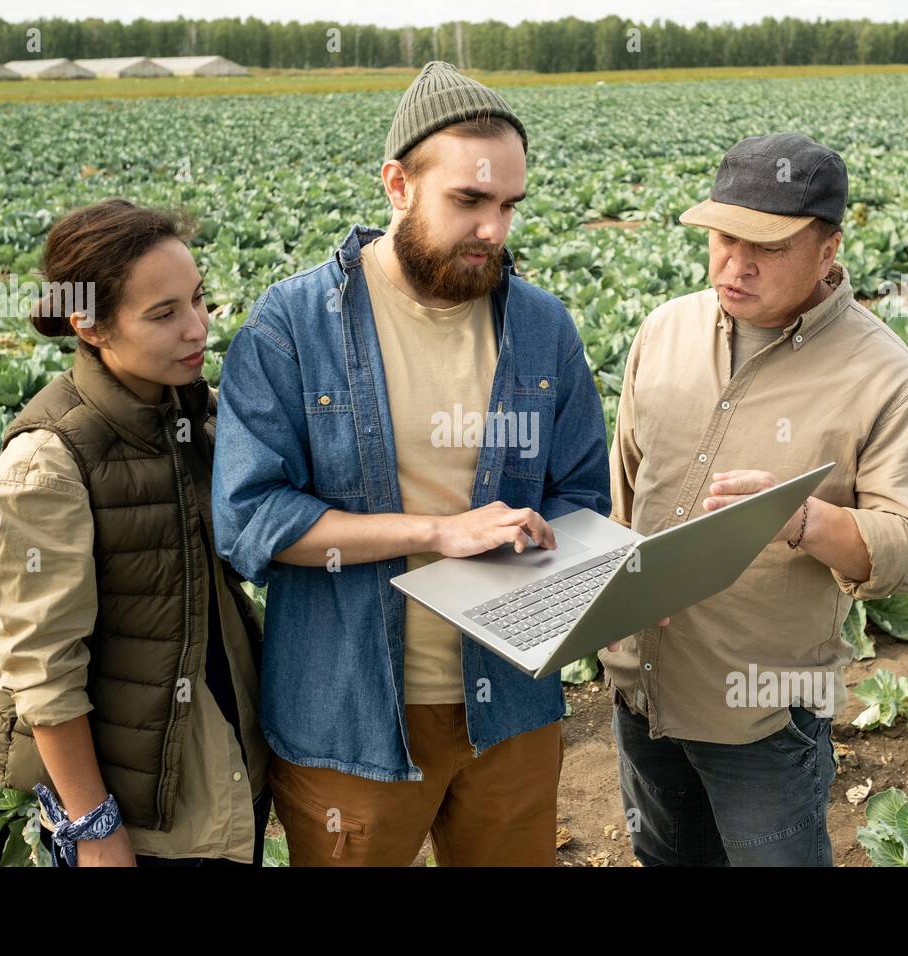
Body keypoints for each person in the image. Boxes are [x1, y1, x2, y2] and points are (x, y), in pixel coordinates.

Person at [212, 61, 610, 866]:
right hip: (352, 719)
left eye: (508, 206)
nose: (494, 229)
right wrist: (437, 531)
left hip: (510, 709)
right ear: (397, 184)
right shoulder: (293, 326)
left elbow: (580, 495)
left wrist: (613, 574)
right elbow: (251, 518)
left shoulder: (540, 327)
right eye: (469, 201)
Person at [599, 133, 908, 866]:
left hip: (760, 717)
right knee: (668, 859)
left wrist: (803, 521)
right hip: (640, 688)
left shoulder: (882, 376)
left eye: (769, 246)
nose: (736, 263)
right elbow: (624, 491)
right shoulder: (664, 330)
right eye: (724, 236)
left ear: (829, 251)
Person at [0, 198, 272, 866]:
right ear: (89, 323)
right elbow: (43, 670)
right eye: (164, 315)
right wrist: (95, 827)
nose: (197, 328)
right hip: (139, 810)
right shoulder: (46, 465)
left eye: (198, 300)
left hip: (221, 761)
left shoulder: (190, 410)